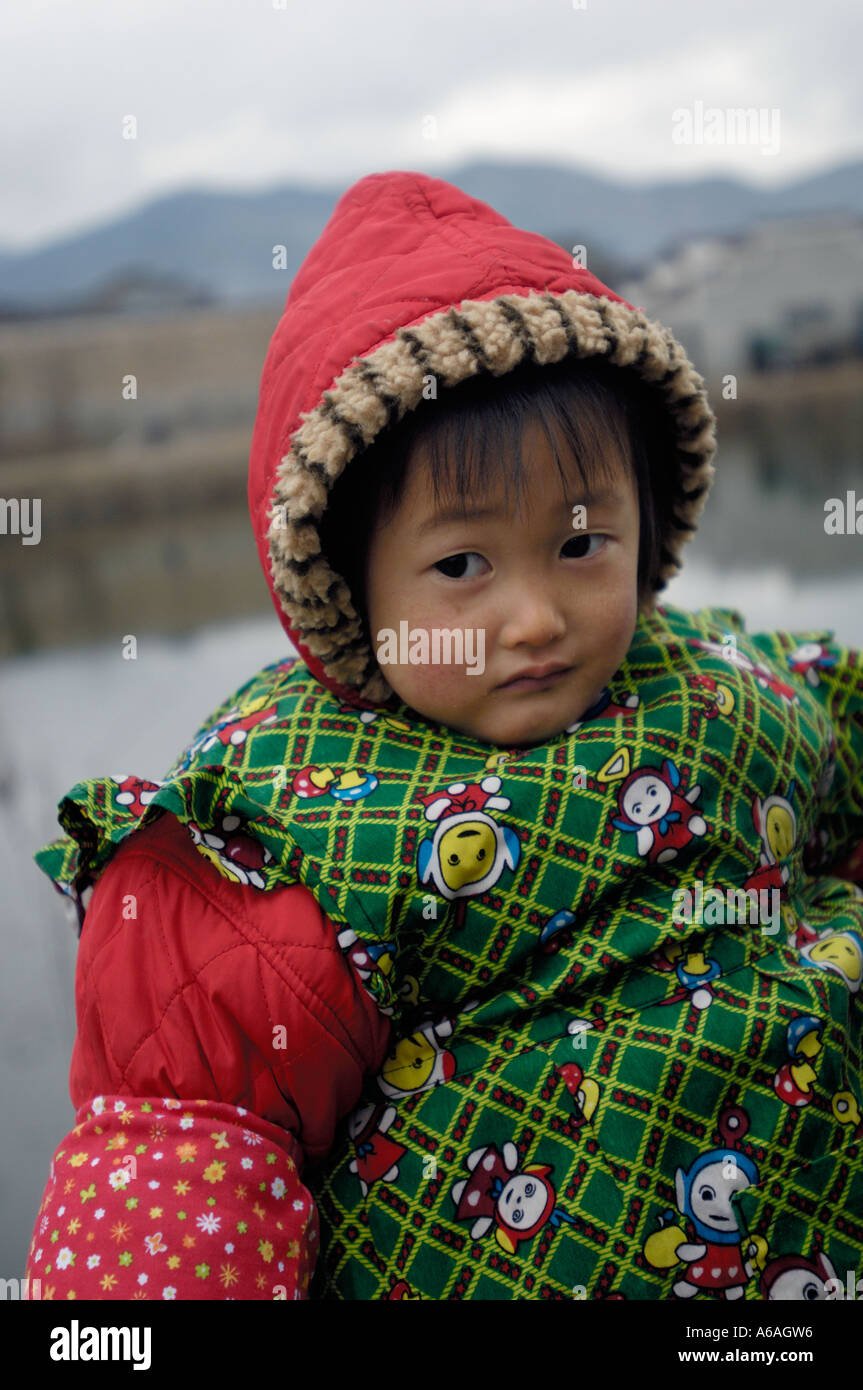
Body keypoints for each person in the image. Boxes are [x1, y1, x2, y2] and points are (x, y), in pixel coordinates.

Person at [25, 170, 863, 1302]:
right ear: (351, 589)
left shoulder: (724, 675)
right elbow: (185, 1154)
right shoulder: (286, 827)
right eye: (460, 565)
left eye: (580, 545)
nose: (532, 617)